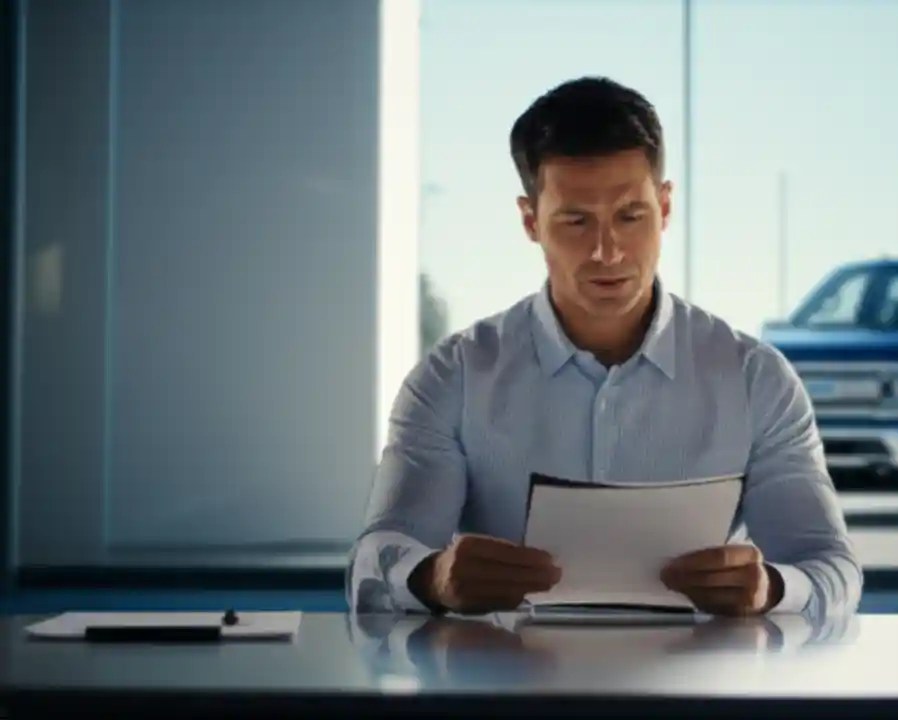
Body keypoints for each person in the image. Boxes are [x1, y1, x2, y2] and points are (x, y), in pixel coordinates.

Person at [347, 76, 860, 620]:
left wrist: (773, 589)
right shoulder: (454, 377)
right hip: (502, 694)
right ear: (530, 221)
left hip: (695, 695)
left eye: (630, 217)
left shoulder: (757, 380)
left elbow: (830, 569)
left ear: (665, 208)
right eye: (575, 221)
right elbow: (374, 564)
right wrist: (432, 577)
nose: (606, 251)